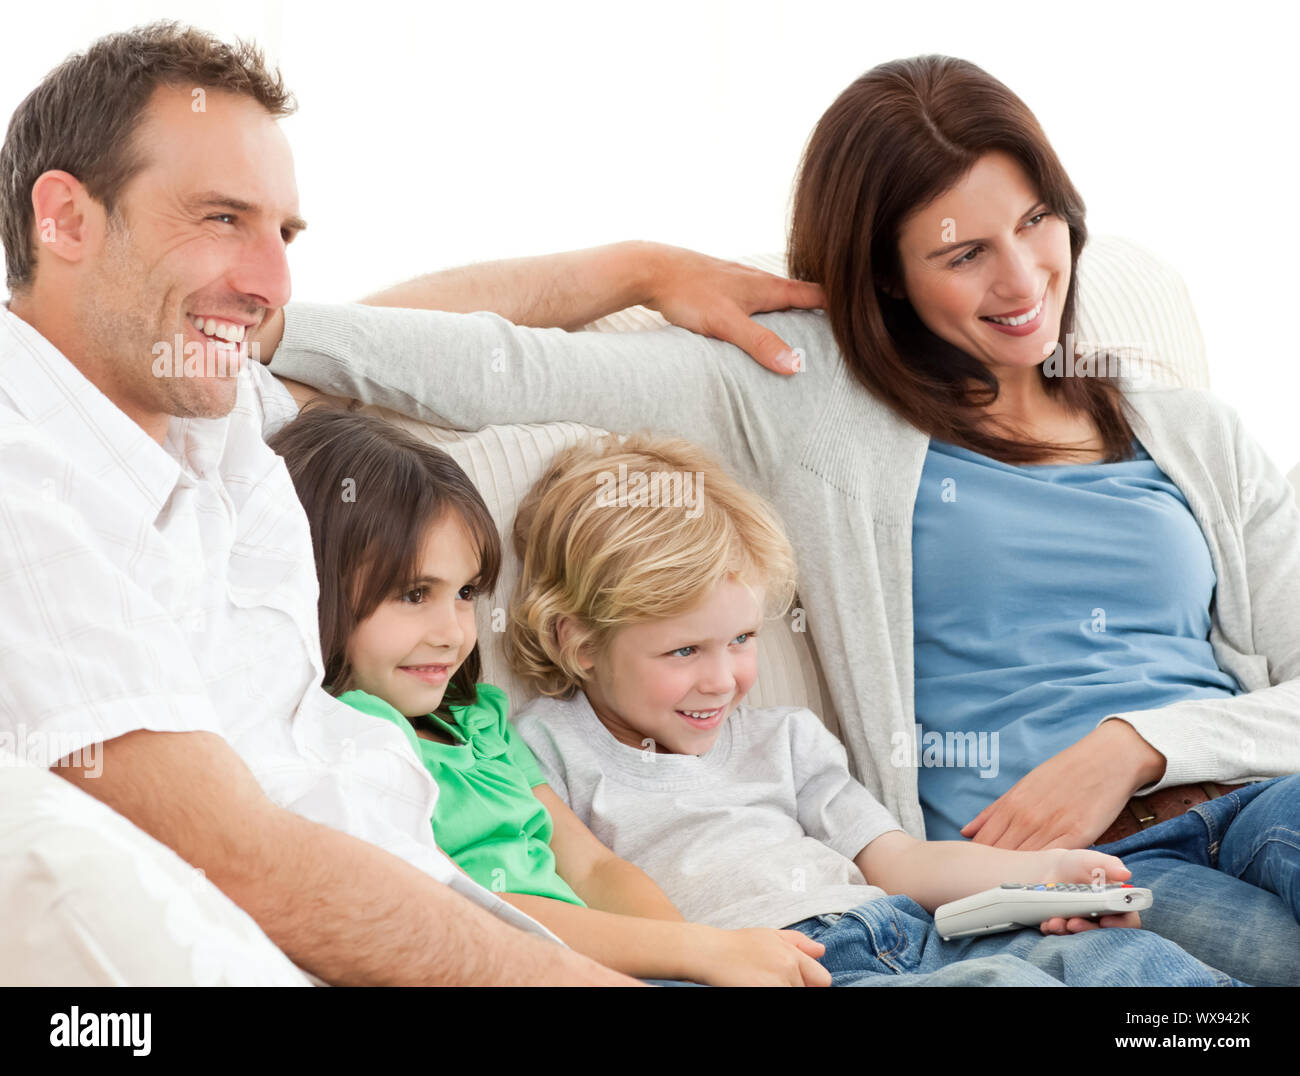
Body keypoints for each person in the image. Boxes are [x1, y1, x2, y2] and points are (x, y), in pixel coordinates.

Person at [262, 55, 1300, 984]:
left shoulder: (1192, 432)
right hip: (1065, 875)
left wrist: (1135, 743)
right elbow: (478, 364)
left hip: (1256, 793)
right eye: (963, 252)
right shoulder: (806, 394)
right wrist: (633, 268)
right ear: (885, 274)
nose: (1024, 279)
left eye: (1036, 221)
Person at [0, 21, 821, 985]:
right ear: (64, 218)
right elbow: (242, 866)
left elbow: (405, 328)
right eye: (222, 218)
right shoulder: (31, 487)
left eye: (284, 232)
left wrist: (639, 270)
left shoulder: (200, 412)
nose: (272, 285)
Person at [504, 430, 1240, 986]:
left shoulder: (786, 739)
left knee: (1120, 956)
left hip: (911, 931)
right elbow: (581, 881)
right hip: (779, 967)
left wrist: (1045, 875)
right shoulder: (542, 747)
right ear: (579, 643)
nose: (725, 680)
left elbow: (899, 861)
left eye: (741, 639)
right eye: (684, 652)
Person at [265, 404, 830, 986]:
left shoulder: (482, 722)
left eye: (464, 593)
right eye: (414, 594)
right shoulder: (343, 740)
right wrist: (692, 954)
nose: (453, 631)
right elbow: (472, 914)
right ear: (311, 582)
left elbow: (592, 869)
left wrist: (701, 950)